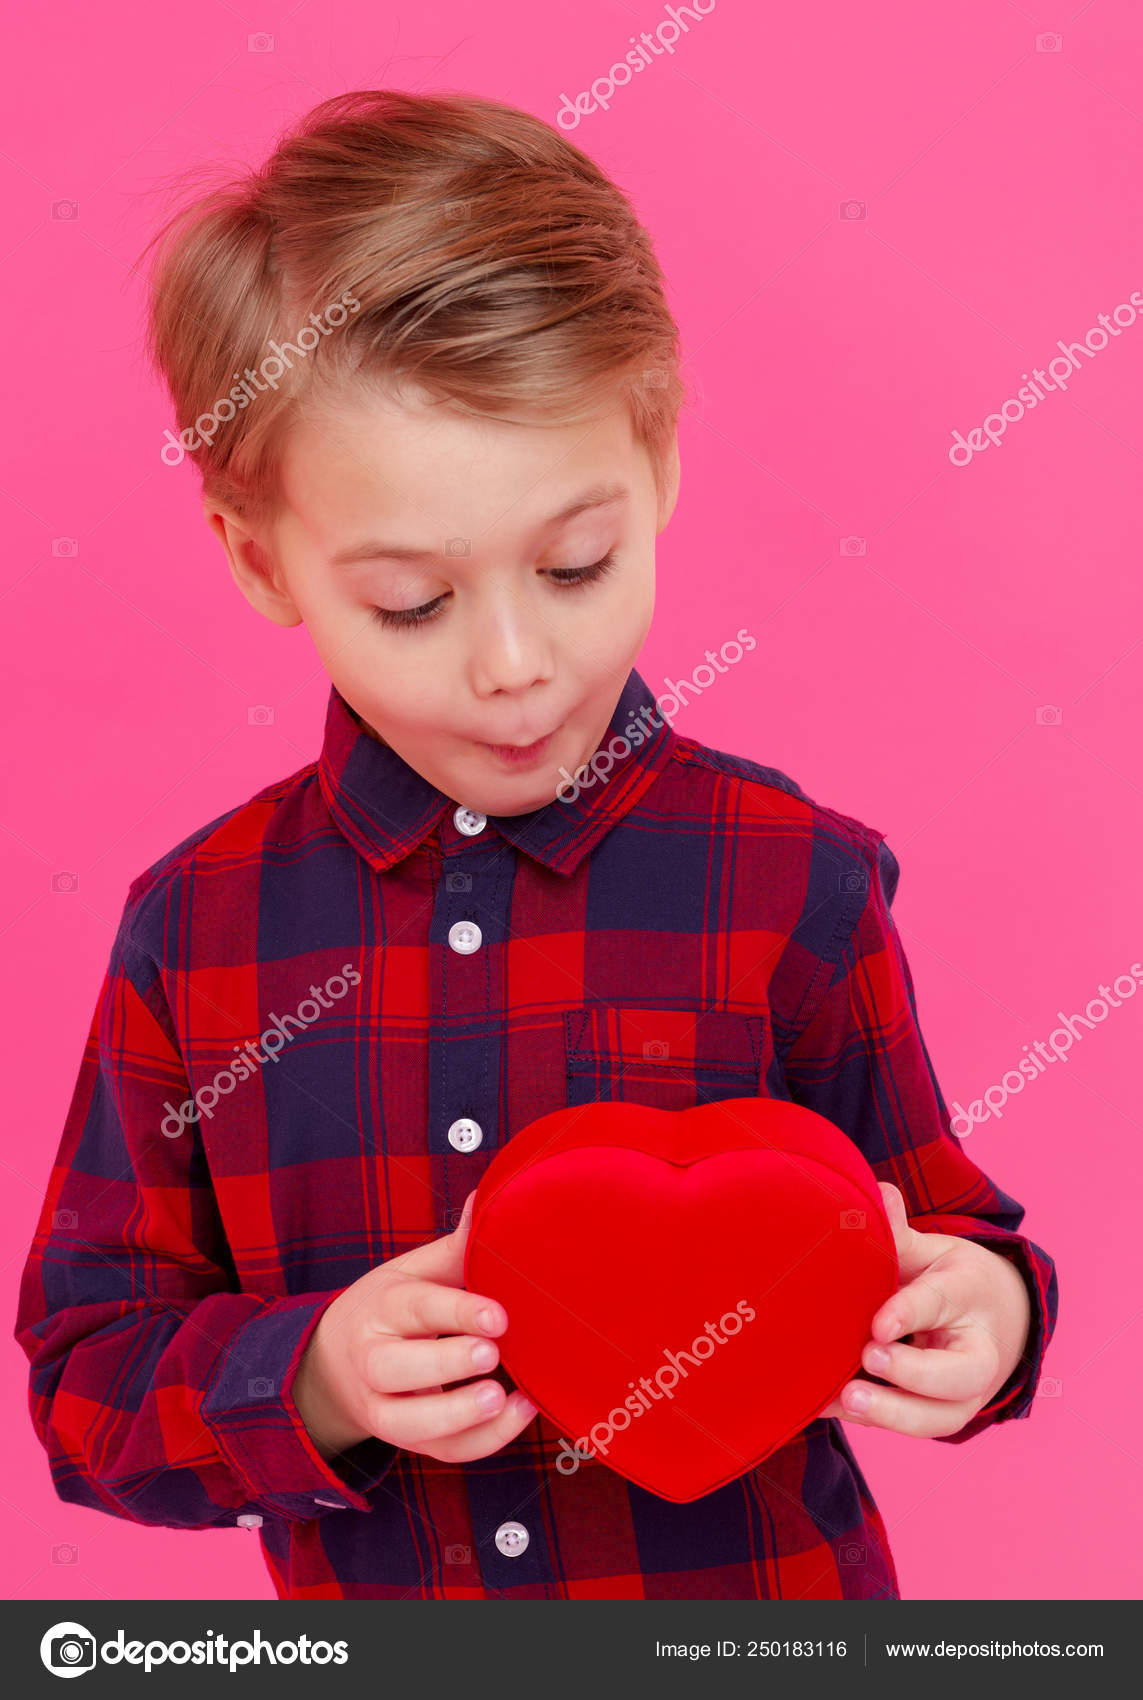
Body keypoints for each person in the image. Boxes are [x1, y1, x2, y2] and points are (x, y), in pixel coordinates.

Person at [15, 88, 1058, 1600]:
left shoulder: (793, 879)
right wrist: (307, 1379)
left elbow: (947, 1224)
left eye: (577, 563)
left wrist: (986, 1320)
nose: (516, 664)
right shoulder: (198, 929)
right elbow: (84, 1378)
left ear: (660, 473)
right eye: (414, 603)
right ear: (262, 558)